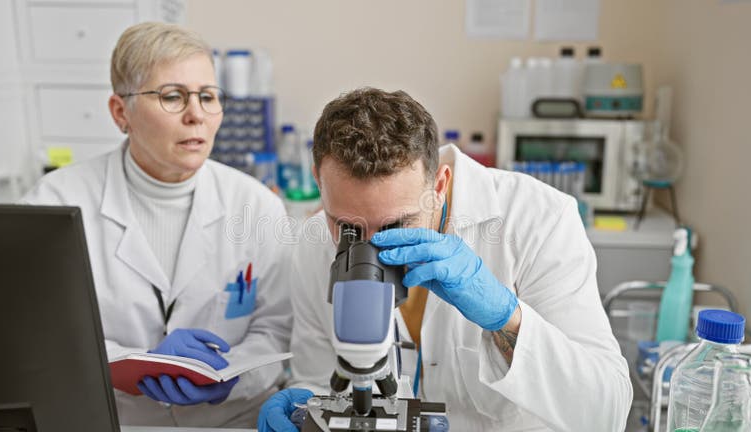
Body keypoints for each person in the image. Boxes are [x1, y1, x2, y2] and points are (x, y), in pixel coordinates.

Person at [258, 88, 632, 431]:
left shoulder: (540, 220)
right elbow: (322, 379)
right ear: (318, 183)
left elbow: (607, 412)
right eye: (349, 228)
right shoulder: (312, 243)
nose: (372, 249)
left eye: (396, 224)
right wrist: (307, 404)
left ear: (438, 185)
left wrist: (507, 318)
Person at [22, 22, 291, 427]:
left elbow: (276, 330)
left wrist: (233, 377)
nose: (196, 115)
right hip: (113, 421)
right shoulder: (54, 205)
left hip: (230, 422)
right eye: (172, 97)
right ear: (120, 112)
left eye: (208, 96)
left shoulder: (257, 206)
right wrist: (138, 364)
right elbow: (37, 337)